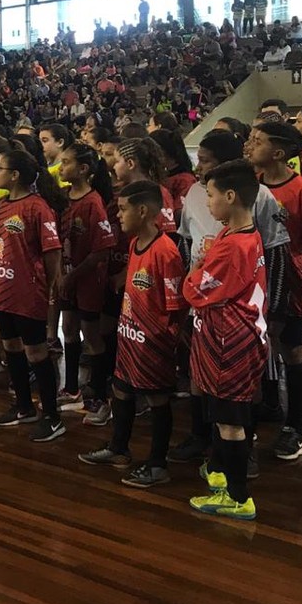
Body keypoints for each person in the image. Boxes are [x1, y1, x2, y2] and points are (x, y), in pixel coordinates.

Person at [80, 180, 184, 488]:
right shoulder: (133, 243)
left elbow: (176, 304)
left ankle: (157, 464)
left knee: (157, 400)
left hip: (153, 342)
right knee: (121, 390)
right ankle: (118, 448)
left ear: (143, 211)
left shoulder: (166, 252)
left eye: (123, 209)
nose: (119, 215)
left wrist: (167, 338)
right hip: (129, 336)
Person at [185, 159, 268, 522]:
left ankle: (238, 496)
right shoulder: (240, 233)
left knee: (229, 420)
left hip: (228, 341)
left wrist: (195, 271)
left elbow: (195, 288)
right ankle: (219, 470)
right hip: (235, 336)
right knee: (226, 413)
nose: (207, 203)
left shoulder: (232, 246)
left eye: (213, 195)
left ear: (231, 196)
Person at [247, 122, 302, 457]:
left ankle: (299, 423)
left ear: (278, 153)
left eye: (257, 141)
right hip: (263, 280)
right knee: (268, 343)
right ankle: (272, 404)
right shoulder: (255, 186)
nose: (249, 145)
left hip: (297, 280)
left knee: (292, 346)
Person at [0, 149, 67, 440]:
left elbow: (52, 250)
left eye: (0, 167)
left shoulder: (38, 207)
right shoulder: (0, 205)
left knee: (36, 352)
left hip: (26, 291)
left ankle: (52, 415)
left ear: (16, 174)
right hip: (1, 287)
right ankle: (24, 406)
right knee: (11, 347)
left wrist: (48, 284)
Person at [57, 143, 117, 422]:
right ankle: (71, 388)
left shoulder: (93, 203)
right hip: (67, 276)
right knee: (68, 327)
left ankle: (99, 395)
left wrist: (73, 275)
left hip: (87, 279)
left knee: (90, 335)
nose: (61, 167)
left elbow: (102, 250)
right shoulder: (62, 198)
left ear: (83, 169)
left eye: (67, 162)